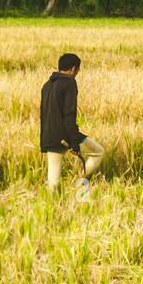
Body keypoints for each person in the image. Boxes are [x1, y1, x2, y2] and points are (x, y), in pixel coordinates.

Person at [40, 53, 105, 191]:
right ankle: (79, 183)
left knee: (53, 182)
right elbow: (69, 114)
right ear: (74, 68)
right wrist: (74, 142)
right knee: (98, 152)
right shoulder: (69, 83)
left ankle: (50, 208)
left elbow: (45, 114)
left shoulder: (47, 85)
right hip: (65, 134)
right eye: (78, 70)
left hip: (49, 135)